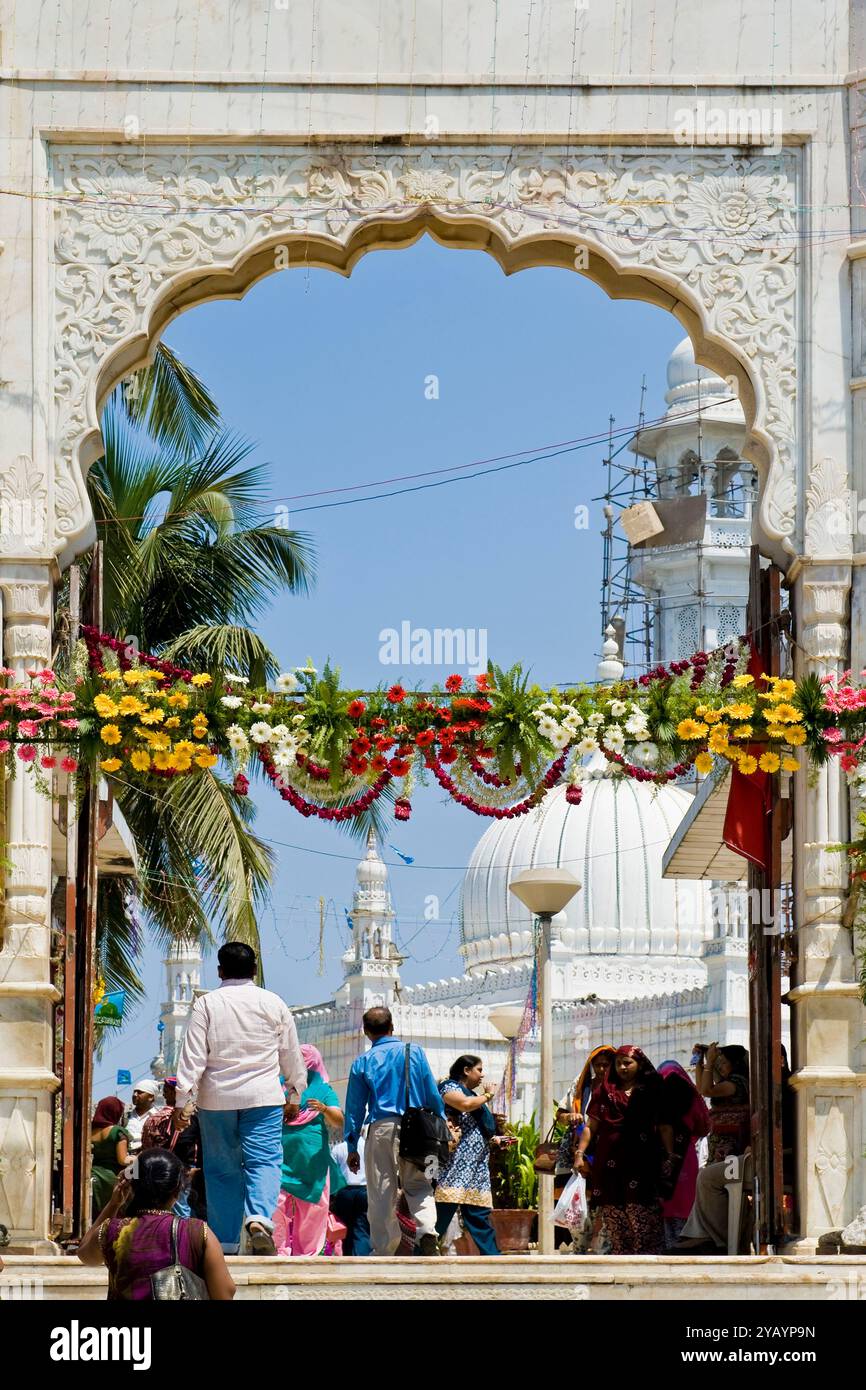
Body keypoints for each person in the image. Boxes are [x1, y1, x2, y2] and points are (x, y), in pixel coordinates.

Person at [174, 941, 307, 1255]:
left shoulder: (207, 1004)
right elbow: (291, 1052)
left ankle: (227, 1243)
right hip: (263, 1096)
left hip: (216, 1099)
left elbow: (192, 1055)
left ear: (220, 971)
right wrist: (295, 1091)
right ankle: (260, 1218)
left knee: (221, 1170)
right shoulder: (273, 1002)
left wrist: (183, 1100)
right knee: (265, 1161)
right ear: (255, 970)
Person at [344, 1006, 446, 1256]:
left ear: (366, 1032)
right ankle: (427, 1232)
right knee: (419, 1184)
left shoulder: (363, 1062)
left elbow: (355, 1108)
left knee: (381, 1191)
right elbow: (432, 1094)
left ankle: (384, 1249)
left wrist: (351, 1145)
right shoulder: (415, 1053)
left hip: (382, 1128)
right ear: (392, 1027)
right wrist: (441, 1125)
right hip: (419, 1130)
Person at [77, 1148, 235, 1301]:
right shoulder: (197, 1232)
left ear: (133, 1187)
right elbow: (225, 1292)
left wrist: (113, 1204)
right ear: (177, 1189)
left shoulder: (112, 1230)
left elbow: (85, 1255)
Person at [579, 1044, 668, 1255]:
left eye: (627, 1063)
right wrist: (579, 1154)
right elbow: (591, 1126)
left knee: (640, 1209)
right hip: (608, 1160)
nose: (622, 1067)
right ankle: (622, 1259)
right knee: (614, 1211)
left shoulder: (653, 1089)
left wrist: (670, 1154)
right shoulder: (605, 1091)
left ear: (639, 1063)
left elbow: (665, 1124)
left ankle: (646, 1260)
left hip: (642, 1159)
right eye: (618, 1063)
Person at [274, 1045, 345, 1256]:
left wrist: (323, 1109)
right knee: (276, 1205)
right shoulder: (280, 1086)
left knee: (312, 1210)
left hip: (312, 1163)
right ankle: (280, 1251)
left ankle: (307, 1255)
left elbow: (339, 1119)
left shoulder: (323, 1088)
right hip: (282, 1159)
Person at [434, 1055, 500, 1256]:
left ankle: (494, 1260)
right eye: (479, 1070)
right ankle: (417, 1255)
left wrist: (496, 1136)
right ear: (466, 1070)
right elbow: (464, 1104)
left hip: (476, 1167)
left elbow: (475, 1126)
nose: (483, 1074)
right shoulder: (449, 1087)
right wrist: (488, 1096)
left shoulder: (472, 1095)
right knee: (441, 1216)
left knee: (479, 1215)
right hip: (456, 1165)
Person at [657, 1060, 710, 1250]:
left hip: (660, 1155)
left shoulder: (656, 1098)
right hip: (685, 1156)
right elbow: (703, 1125)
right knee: (683, 1201)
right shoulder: (689, 1096)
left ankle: (667, 1246)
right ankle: (682, 1245)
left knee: (665, 1203)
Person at [141, 1077, 204, 1219]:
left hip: (184, 1167)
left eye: (168, 1091)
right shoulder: (172, 1117)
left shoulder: (190, 1116)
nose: (164, 1095)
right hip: (174, 1166)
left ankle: (183, 1238)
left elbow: (191, 1142)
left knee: (181, 1208)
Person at [696, 1043, 750, 1164]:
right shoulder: (727, 1082)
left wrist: (710, 1062)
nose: (720, 1066)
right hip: (720, 1146)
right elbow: (701, 1088)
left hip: (731, 1150)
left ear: (735, 1064)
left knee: (709, 1180)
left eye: (724, 1063)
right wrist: (699, 1062)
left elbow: (706, 1090)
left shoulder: (737, 1083)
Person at [329, 1132, 371, 1256]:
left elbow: (333, 1173)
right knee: (362, 1229)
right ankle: (361, 1261)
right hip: (364, 1190)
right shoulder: (367, 1146)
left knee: (344, 1229)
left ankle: (345, 1258)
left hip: (344, 1191)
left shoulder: (338, 1148)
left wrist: (331, 1196)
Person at [90, 1097, 129, 1219]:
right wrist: (136, 1158)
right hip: (111, 1179)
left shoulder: (90, 1131)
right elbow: (122, 1160)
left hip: (93, 1176)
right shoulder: (117, 1132)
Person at [124, 1079, 159, 1156]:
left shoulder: (159, 1117)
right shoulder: (125, 1117)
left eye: (140, 1092)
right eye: (134, 1092)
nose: (135, 1095)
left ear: (151, 1097)